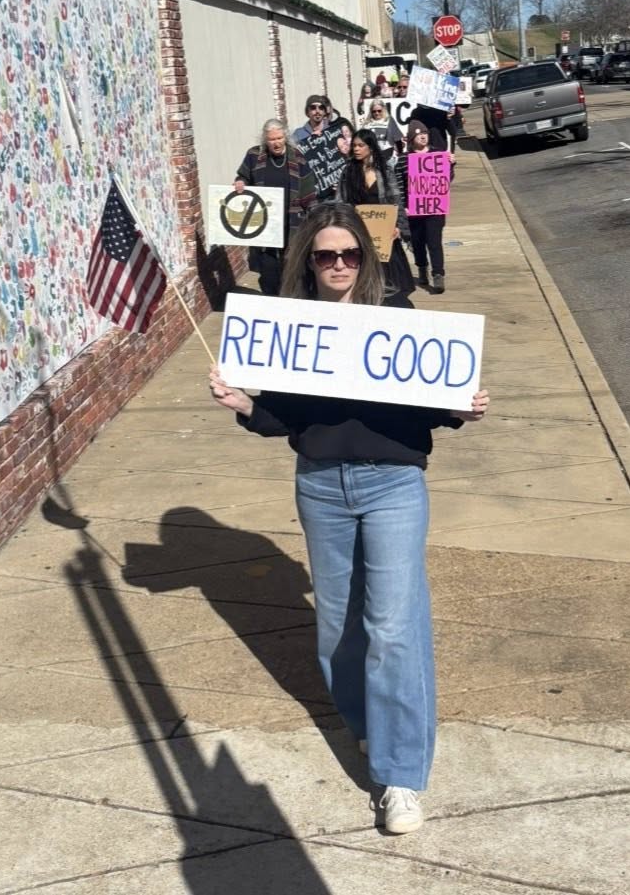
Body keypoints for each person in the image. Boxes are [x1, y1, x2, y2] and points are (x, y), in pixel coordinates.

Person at [209, 202, 490, 834]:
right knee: (337, 627)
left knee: (393, 626)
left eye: (350, 254)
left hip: (393, 483)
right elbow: (286, 417)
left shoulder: (397, 318)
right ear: (308, 263)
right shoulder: (291, 327)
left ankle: (400, 776)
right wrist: (244, 403)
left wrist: (460, 406)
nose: (338, 265)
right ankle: (366, 724)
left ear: (366, 258)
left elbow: (429, 402)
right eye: (325, 256)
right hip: (320, 486)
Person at [234, 119, 316, 296]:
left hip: (292, 223)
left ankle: (291, 301)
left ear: (285, 137)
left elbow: (309, 193)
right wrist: (240, 182)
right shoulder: (254, 156)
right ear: (265, 140)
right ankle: (271, 299)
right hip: (266, 224)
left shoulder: (297, 158)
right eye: (272, 139)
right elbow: (243, 176)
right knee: (268, 272)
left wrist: (315, 219)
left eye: (279, 138)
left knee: (293, 270)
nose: (276, 143)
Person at [336, 127, 414, 302]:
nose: (356, 149)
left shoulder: (385, 170)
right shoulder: (348, 172)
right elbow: (341, 202)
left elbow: (396, 201)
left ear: (370, 147)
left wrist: (399, 227)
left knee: (391, 281)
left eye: (360, 145)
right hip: (359, 232)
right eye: (354, 146)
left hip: (383, 234)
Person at [394, 120, 447, 294]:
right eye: (419, 134)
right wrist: (404, 206)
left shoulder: (438, 154)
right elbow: (400, 186)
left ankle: (438, 274)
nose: (423, 136)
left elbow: (446, 179)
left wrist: (450, 164)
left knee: (434, 241)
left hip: (434, 207)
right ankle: (422, 267)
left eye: (425, 133)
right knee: (417, 242)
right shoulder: (403, 159)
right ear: (411, 139)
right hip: (414, 209)